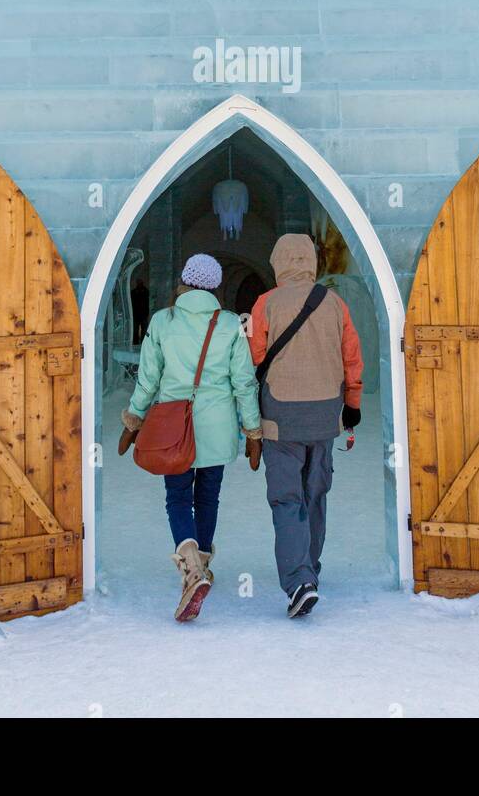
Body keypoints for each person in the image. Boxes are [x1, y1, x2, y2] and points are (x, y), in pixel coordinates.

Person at [119, 253, 262, 622]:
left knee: (178, 497)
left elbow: (148, 378)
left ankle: (191, 569)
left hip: (172, 428)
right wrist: (252, 429)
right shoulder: (231, 323)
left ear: (183, 282)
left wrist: (134, 418)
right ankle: (202, 566)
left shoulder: (162, 321)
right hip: (217, 427)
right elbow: (243, 381)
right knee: (209, 496)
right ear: (214, 286)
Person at [249, 233, 363, 618]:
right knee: (316, 492)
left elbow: (255, 358)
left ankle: (299, 580)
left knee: (287, 497)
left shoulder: (265, 304)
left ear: (278, 261)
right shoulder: (334, 303)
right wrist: (352, 404)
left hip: (281, 417)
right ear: (312, 261)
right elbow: (352, 357)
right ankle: (310, 567)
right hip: (325, 415)